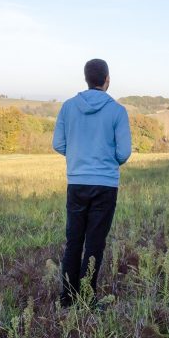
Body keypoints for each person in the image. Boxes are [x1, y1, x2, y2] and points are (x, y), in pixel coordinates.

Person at [53, 58, 132, 307]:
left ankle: (67, 298)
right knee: (95, 243)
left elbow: (58, 144)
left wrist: (78, 156)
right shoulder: (117, 111)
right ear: (107, 79)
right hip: (105, 184)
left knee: (73, 241)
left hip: (77, 182)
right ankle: (87, 298)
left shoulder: (68, 107)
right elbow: (124, 153)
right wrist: (106, 160)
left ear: (86, 79)